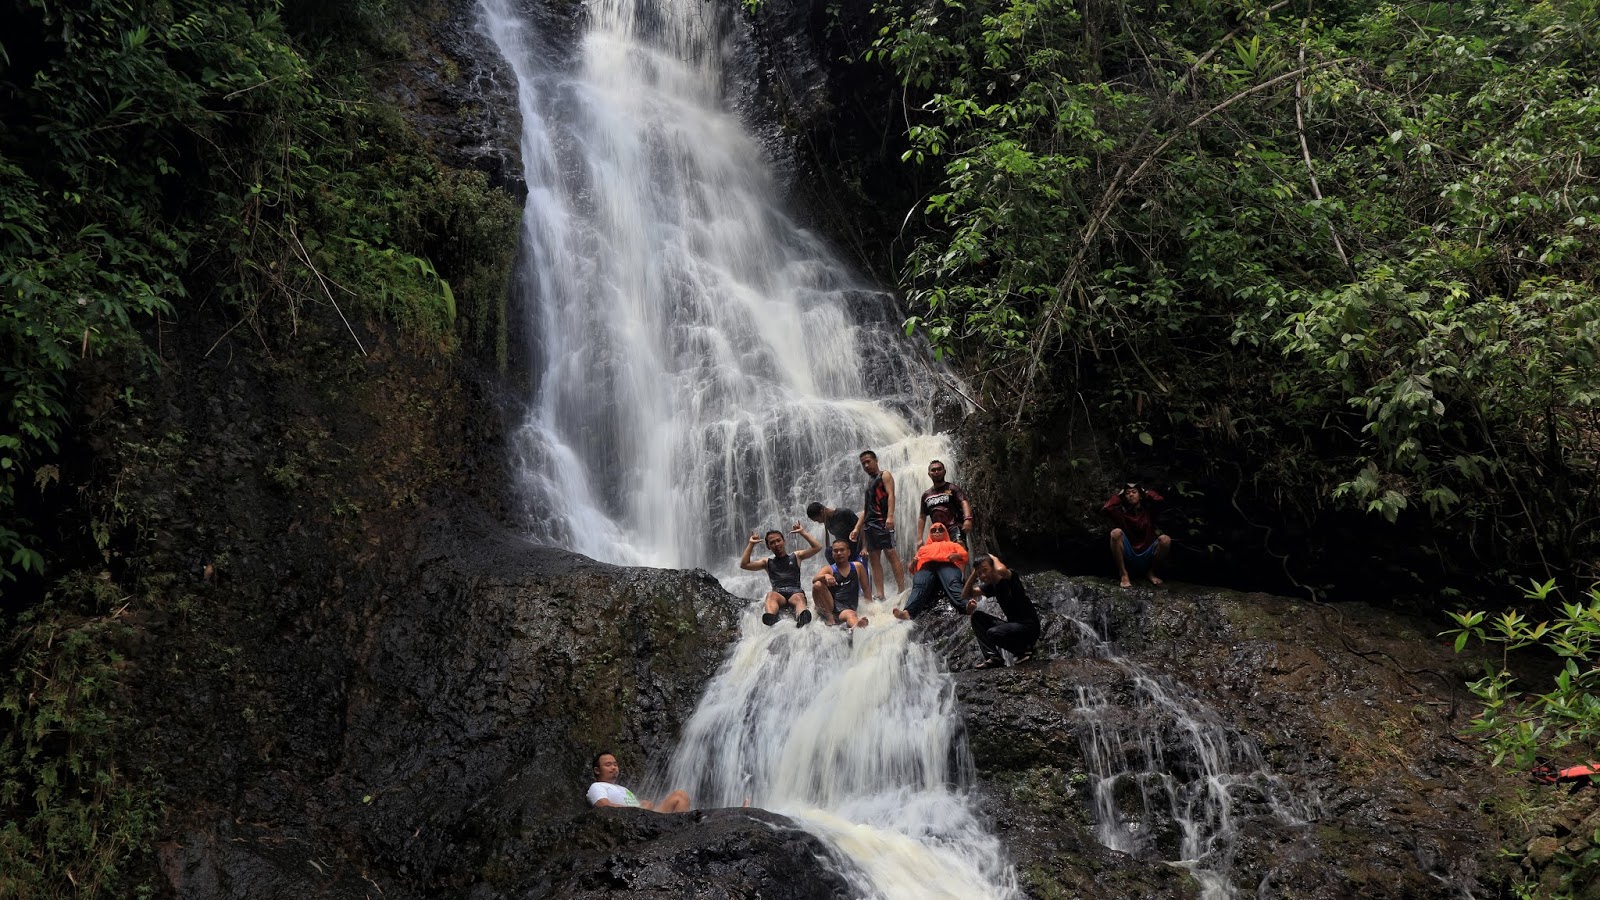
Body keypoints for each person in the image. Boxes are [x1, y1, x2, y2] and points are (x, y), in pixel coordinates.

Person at [962, 553, 1039, 669]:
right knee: (977, 617)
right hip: (1014, 627)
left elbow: (1001, 570)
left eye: (985, 570)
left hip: (1029, 628)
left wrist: (993, 558)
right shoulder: (992, 586)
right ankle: (994, 658)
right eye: (979, 573)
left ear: (993, 567)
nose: (983, 576)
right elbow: (966, 594)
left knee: (993, 632)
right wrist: (974, 573)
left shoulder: (1010, 578)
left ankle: (1023, 651)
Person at [849, 450, 907, 601]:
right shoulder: (869, 482)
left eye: (868, 461)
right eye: (863, 464)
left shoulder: (884, 475)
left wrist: (890, 516)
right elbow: (866, 508)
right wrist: (857, 527)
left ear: (876, 460)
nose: (866, 465)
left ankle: (902, 590)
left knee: (891, 554)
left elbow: (891, 495)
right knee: (874, 559)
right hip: (869, 524)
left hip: (882, 521)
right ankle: (880, 593)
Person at [739, 523, 821, 626]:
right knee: (770, 595)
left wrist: (802, 532)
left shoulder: (797, 556)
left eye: (778, 540)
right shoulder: (767, 562)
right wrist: (751, 544)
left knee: (798, 598)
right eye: (772, 542)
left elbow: (817, 547)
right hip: (778, 594)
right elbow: (744, 565)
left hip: (795, 591)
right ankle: (771, 617)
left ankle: (802, 616)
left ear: (784, 541)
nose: (776, 544)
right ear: (768, 546)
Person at [891, 522, 969, 620]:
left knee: (952, 582)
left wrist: (956, 556)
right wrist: (914, 562)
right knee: (919, 585)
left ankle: (965, 605)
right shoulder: (923, 548)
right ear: (930, 533)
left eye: (940, 530)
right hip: (927, 568)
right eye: (934, 530)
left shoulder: (953, 545)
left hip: (947, 565)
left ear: (945, 532)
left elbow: (964, 555)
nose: (937, 532)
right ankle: (908, 612)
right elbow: (912, 569)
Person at [1104, 482, 1172, 587]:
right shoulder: (1121, 514)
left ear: (1140, 496)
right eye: (1127, 493)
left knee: (1165, 539)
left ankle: (1151, 572)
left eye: (1134, 492)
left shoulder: (1149, 511)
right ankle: (1123, 574)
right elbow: (1106, 509)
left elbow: (1160, 501)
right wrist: (1119, 496)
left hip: (1147, 552)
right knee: (1115, 532)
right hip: (1129, 553)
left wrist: (1145, 492)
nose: (1131, 494)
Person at [586, 751, 691, 812]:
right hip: (632, 822)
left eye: (615, 764)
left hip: (644, 818)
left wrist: (644, 804)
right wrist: (638, 809)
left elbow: (636, 805)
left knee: (680, 796)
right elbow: (604, 806)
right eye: (608, 765)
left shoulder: (622, 788)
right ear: (597, 770)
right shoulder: (597, 787)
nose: (614, 768)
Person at [805, 500, 870, 586]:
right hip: (845, 551)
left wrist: (865, 547)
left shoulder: (844, 513)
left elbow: (862, 527)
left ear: (822, 512)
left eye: (817, 520)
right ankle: (840, 580)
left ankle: (865, 591)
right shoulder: (827, 521)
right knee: (828, 551)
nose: (818, 522)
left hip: (858, 548)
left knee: (861, 563)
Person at [811, 539, 870, 629]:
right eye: (835, 551)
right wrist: (825, 576)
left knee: (850, 614)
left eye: (842, 550)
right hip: (832, 607)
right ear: (832, 554)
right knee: (817, 585)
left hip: (849, 606)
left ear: (848, 552)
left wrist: (870, 609)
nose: (839, 553)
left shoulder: (858, 567)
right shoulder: (829, 569)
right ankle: (831, 618)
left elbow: (866, 589)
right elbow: (814, 580)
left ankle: (856, 627)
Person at [917, 460, 974, 546]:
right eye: (933, 470)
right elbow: (922, 516)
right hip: (938, 531)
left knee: (959, 548)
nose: (936, 472)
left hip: (955, 527)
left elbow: (964, 502)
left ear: (944, 471)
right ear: (929, 474)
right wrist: (919, 538)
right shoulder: (926, 495)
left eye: (939, 469)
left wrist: (968, 519)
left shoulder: (952, 488)